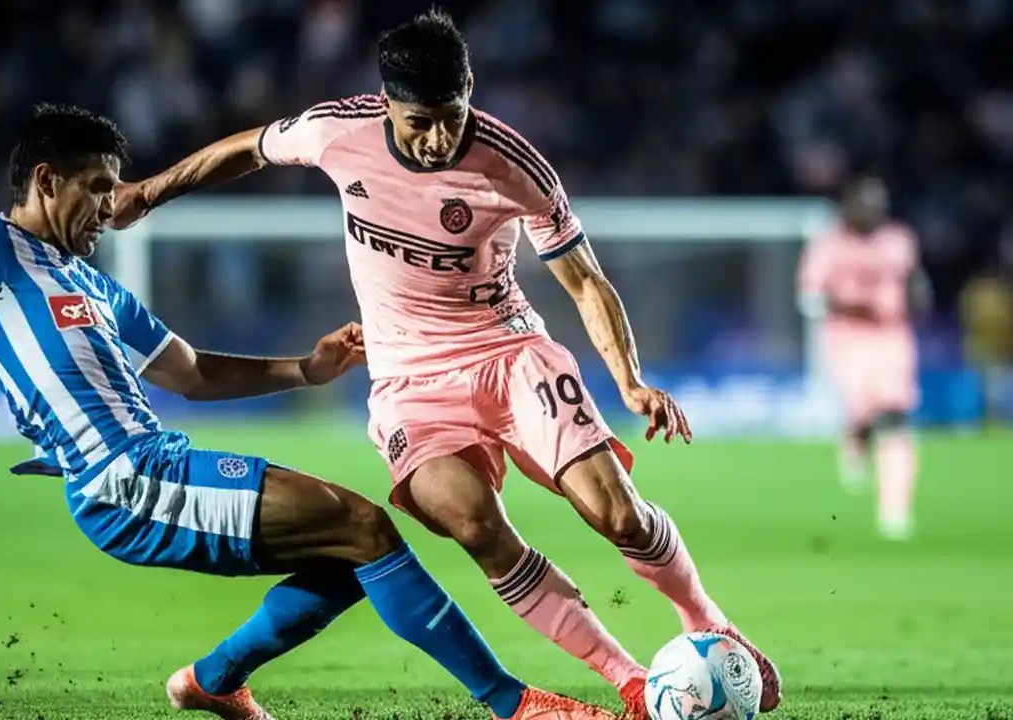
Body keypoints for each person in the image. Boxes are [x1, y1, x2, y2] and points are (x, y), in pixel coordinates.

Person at [0, 103, 614, 720]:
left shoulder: (95, 284)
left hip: (156, 459)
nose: (111, 206)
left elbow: (192, 372)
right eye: (98, 186)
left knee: (354, 553)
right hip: (120, 479)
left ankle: (214, 681)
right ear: (47, 179)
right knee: (366, 528)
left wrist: (306, 370)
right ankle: (515, 704)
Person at [112, 10, 780, 719]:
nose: (435, 138)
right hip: (409, 384)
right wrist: (147, 192)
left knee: (616, 514)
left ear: (470, 87)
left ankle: (708, 622)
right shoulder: (338, 130)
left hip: (509, 353)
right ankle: (632, 682)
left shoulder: (513, 165)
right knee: (473, 525)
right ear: (387, 104)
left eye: (450, 116)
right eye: (417, 121)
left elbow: (584, 279)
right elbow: (250, 147)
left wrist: (631, 382)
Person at [798, 175, 929, 540]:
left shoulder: (899, 241)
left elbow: (914, 279)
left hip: (892, 337)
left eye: (880, 205)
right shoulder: (828, 246)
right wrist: (856, 306)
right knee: (866, 413)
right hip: (846, 340)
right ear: (849, 207)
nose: (874, 212)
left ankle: (895, 510)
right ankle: (855, 436)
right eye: (867, 204)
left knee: (895, 415)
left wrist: (919, 295)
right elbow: (811, 298)